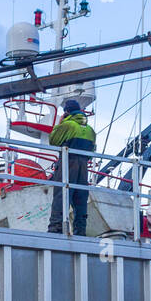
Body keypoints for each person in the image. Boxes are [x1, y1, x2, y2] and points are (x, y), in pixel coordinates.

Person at [47, 98, 97, 236]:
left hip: (68, 163)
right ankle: (80, 231)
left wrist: (60, 122)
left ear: (67, 112)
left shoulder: (68, 125)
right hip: (83, 167)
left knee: (61, 195)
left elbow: (53, 140)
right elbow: (92, 152)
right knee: (80, 198)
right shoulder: (90, 130)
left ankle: (55, 229)